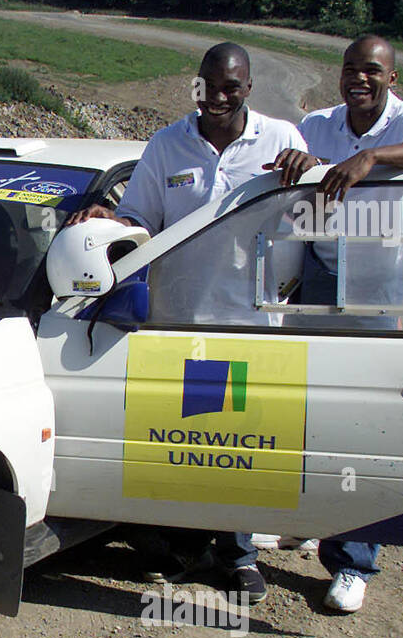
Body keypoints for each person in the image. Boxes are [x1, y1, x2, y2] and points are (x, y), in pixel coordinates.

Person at [69, 42, 308, 605]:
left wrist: (311, 171)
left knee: (246, 448)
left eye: (232, 86)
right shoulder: (168, 144)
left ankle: (239, 558)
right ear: (196, 85)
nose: (219, 96)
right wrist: (110, 218)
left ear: (248, 88)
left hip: (253, 323)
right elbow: (142, 221)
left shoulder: (283, 142)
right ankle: (181, 548)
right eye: (209, 84)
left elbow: (315, 219)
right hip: (180, 321)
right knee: (188, 442)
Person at [267, 33, 403, 614]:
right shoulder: (320, 125)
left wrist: (372, 157)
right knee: (310, 413)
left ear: (391, 78)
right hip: (320, 282)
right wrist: (299, 160)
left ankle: (353, 561)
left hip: (378, 293)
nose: (361, 79)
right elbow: (288, 165)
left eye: (373, 71)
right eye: (351, 69)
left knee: (363, 424)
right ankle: (304, 521)